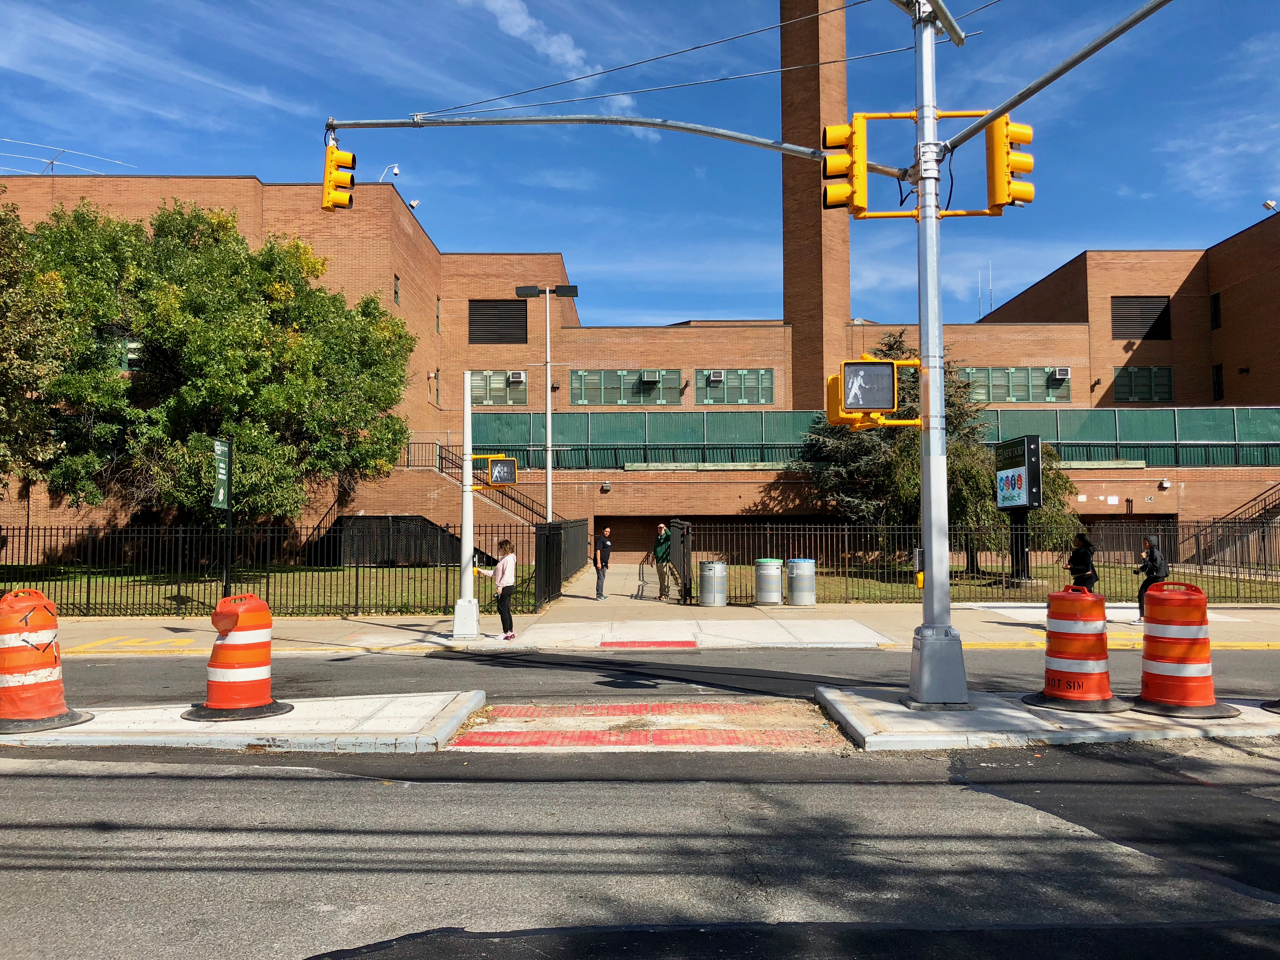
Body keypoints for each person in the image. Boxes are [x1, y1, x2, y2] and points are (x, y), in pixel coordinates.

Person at [478, 539, 517, 640]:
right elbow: (496, 573)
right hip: (506, 586)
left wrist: (500, 587)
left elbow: (506, 575)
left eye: (500, 548)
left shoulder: (508, 560)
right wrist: (482, 571)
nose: (499, 550)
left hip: (505, 587)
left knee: (502, 610)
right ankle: (510, 631)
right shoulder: (505, 559)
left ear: (504, 548)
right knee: (506, 609)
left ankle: (506, 632)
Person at [1132, 533, 1169, 624]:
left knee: (1142, 595)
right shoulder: (1150, 552)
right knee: (1154, 597)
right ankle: (1155, 616)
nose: (1144, 545)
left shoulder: (1154, 553)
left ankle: (1143, 617)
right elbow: (1149, 565)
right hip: (1155, 577)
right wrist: (1139, 570)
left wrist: (1144, 559)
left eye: (1145, 543)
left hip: (1156, 578)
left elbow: (1154, 567)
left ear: (1150, 543)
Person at [643, 522, 679, 601]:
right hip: (658, 561)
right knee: (661, 579)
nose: (660, 530)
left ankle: (666, 595)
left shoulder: (666, 537)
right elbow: (655, 549)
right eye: (659, 528)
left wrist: (665, 529)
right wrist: (652, 560)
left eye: (661, 528)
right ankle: (661, 594)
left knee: (666, 578)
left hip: (664, 561)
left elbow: (670, 536)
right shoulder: (657, 538)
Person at [594, 525, 612, 601]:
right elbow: (598, 551)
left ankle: (601, 594)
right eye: (606, 531)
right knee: (600, 578)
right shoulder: (600, 539)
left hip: (604, 562)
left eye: (608, 532)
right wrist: (599, 563)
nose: (607, 533)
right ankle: (599, 595)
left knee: (602, 578)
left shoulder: (606, 540)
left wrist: (607, 563)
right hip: (600, 562)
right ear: (602, 531)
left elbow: (606, 552)